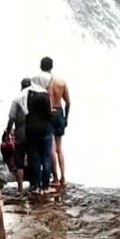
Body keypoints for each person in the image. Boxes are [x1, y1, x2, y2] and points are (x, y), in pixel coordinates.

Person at [39, 57, 71, 188]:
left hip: (50, 114)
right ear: (51, 66)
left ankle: (56, 178)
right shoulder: (61, 81)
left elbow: (46, 101)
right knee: (59, 149)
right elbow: (68, 102)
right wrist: (66, 118)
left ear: (41, 67)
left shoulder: (46, 82)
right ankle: (64, 177)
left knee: (51, 149)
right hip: (60, 113)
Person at [24, 78, 55, 195]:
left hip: (31, 130)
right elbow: (49, 114)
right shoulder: (45, 96)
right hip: (45, 130)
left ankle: (35, 187)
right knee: (46, 158)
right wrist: (52, 113)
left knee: (35, 159)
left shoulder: (29, 96)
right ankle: (45, 187)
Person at [3, 77, 32, 192]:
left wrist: (8, 132)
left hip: (20, 134)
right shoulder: (36, 99)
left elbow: (11, 119)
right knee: (33, 158)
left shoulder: (17, 100)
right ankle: (35, 185)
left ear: (21, 87)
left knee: (19, 161)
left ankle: (20, 187)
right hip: (34, 133)